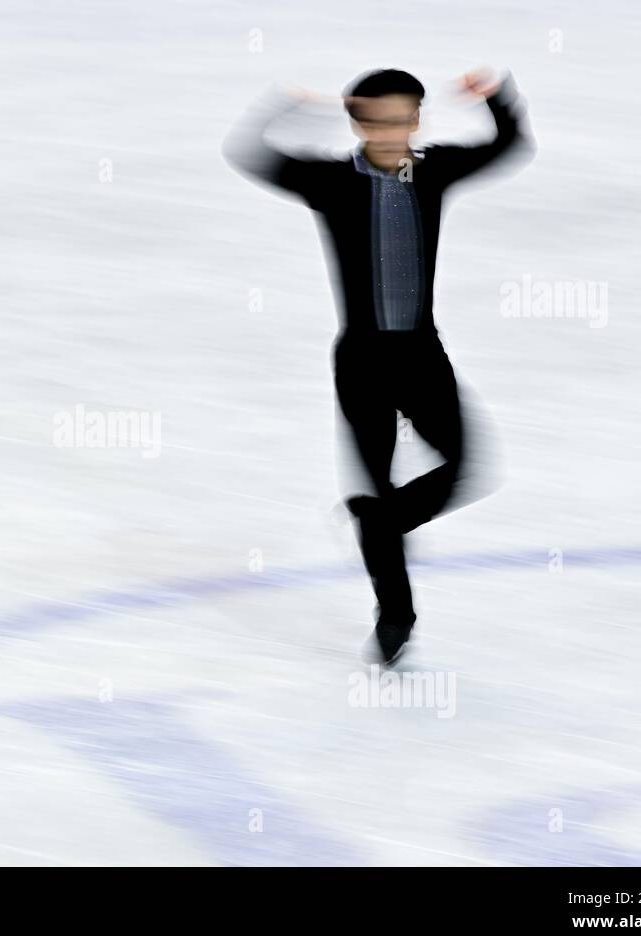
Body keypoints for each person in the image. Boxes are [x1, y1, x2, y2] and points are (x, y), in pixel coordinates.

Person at [223, 67, 534, 665]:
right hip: (362, 363)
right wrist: (285, 106)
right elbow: (253, 155)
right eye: (376, 120)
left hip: (422, 356)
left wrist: (498, 99)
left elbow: (507, 146)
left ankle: (376, 521)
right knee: (377, 485)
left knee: (461, 468)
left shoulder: (435, 170)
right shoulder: (329, 181)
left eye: (402, 119)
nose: (391, 132)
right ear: (356, 122)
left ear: (417, 118)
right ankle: (396, 615)